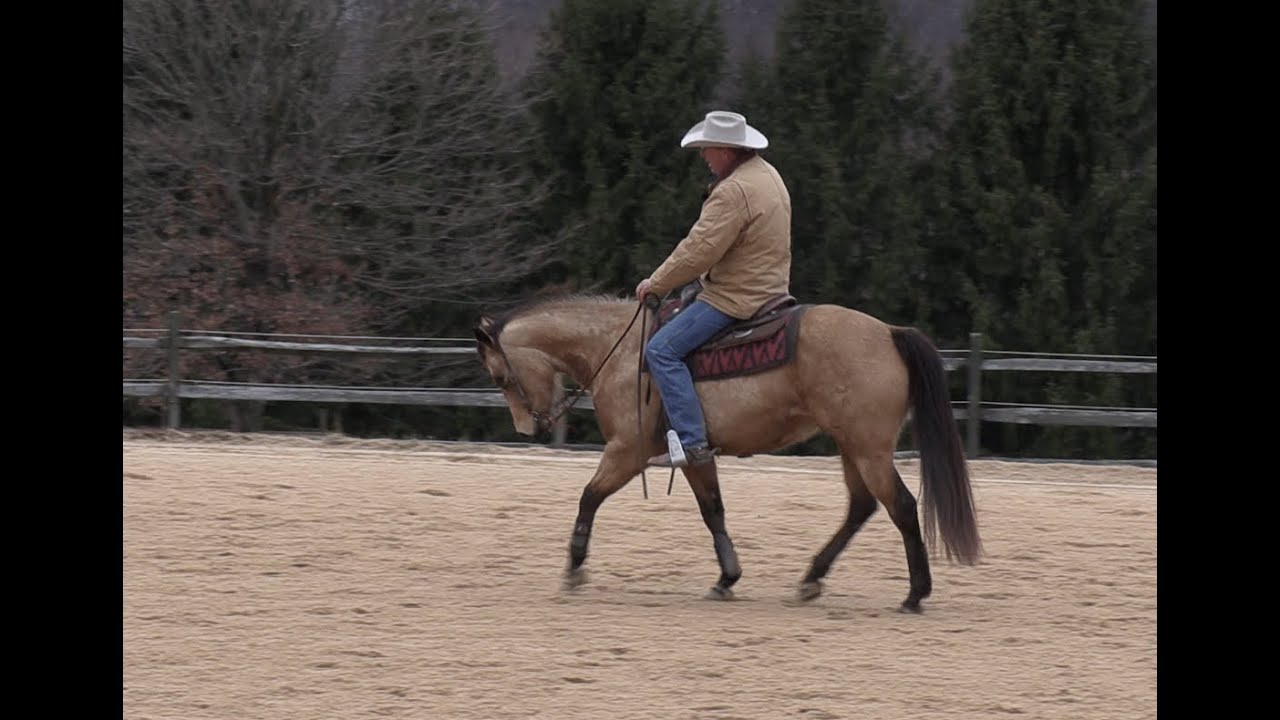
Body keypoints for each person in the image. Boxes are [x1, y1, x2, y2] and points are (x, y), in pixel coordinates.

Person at [635, 110, 793, 468]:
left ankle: (692, 442)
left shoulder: (734, 191)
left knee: (661, 350)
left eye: (707, 149)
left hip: (736, 297)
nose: (704, 156)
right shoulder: (768, 175)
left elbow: (698, 250)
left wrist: (656, 282)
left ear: (725, 149)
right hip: (771, 288)